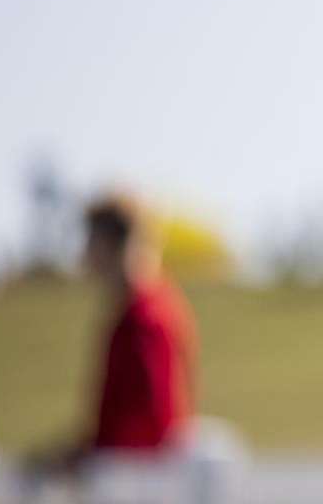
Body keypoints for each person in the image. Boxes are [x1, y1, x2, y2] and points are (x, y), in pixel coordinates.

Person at [28, 191, 198, 476]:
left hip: (136, 478)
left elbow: (151, 419)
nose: (84, 255)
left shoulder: (146, 315)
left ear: (112, 245)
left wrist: (87, 455)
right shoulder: (138, 308)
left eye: (91, 242)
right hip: (127, 470)